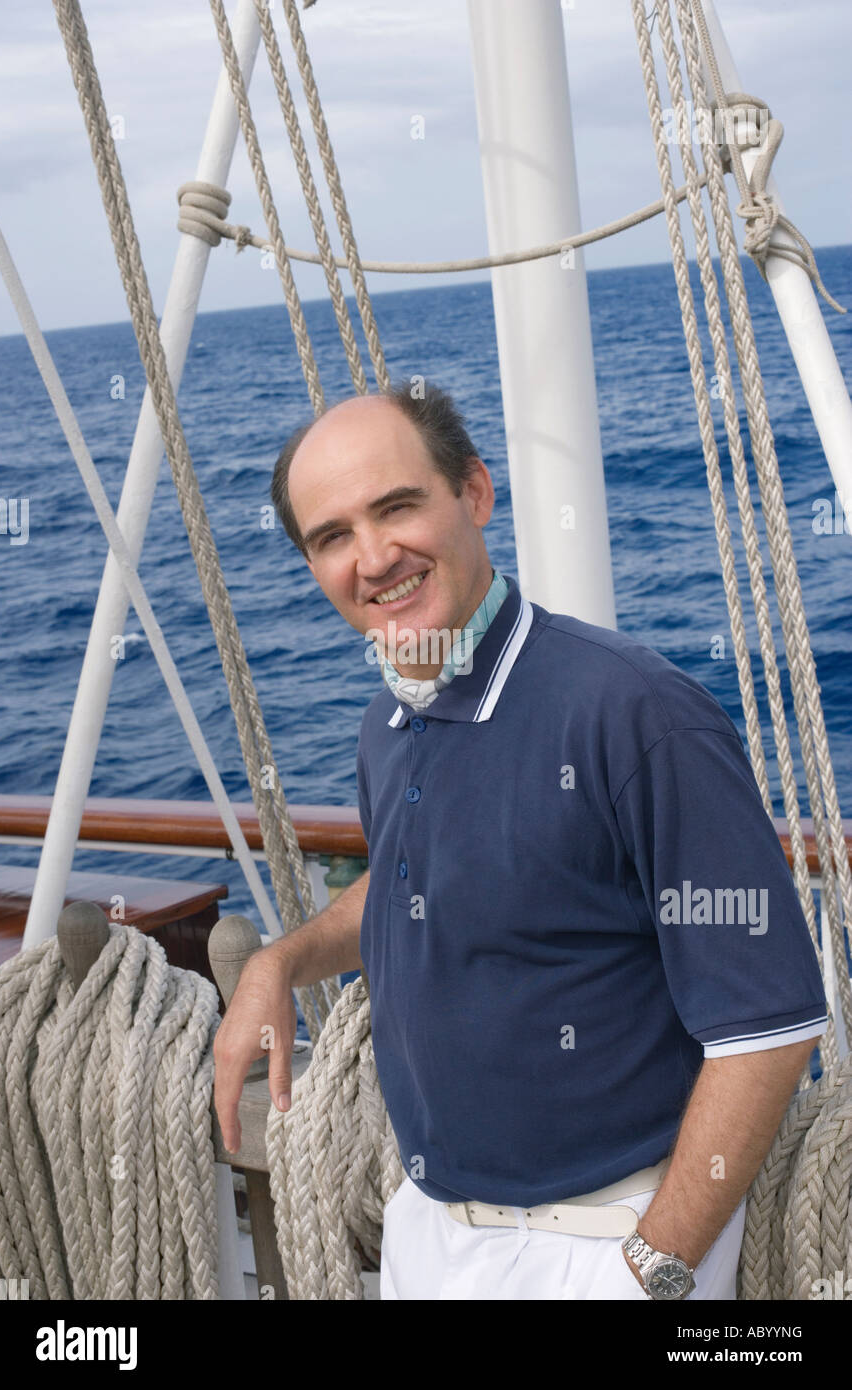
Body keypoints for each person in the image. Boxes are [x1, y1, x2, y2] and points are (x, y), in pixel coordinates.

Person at [213, 380, 828, 1300]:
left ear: (474, 494)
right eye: (331, 537)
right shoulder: (390, 722)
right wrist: (283, 960)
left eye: (397, 508)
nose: (373, 557)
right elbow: (414, 881)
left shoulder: (636, 715)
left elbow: (769, 1029)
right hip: (434, 1230)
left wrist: (652, 1270)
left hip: (608, 1240)